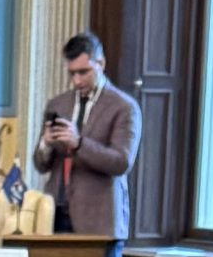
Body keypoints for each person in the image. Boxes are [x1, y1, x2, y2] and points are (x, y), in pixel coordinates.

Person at [33, 33, 139, 239]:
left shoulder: (124, 107)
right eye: (72, 74)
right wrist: (45, 144)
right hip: (55, 214)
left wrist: (79, 143)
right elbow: (41, 165)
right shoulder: (58, 104)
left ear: (101, 63)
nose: (77, 81)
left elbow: (121, 162)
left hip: (98, 221)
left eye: (84, 72)